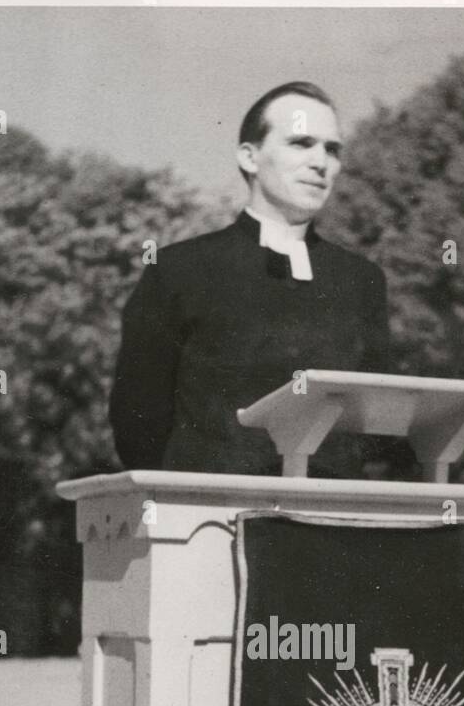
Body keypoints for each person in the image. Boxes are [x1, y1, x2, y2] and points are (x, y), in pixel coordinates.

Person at [109, 81, 417, 479]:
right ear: (250, 158)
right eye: (301, 143)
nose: (321, 162)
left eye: (332, 149)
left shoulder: (360, 280)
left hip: (331, 519)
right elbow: (138, 424)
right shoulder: (180, 270)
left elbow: (378, 423)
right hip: (208, 519)